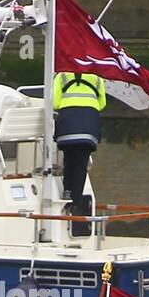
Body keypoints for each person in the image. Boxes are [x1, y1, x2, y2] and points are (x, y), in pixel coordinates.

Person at [53, 71, 106, 237]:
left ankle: (67, 192)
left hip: (68, 123)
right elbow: (102, 103)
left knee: (68, 160)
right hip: (88, 124)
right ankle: (75, 201)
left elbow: (55, 103)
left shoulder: (61, 76)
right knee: (81, 164)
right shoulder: (97, 77)